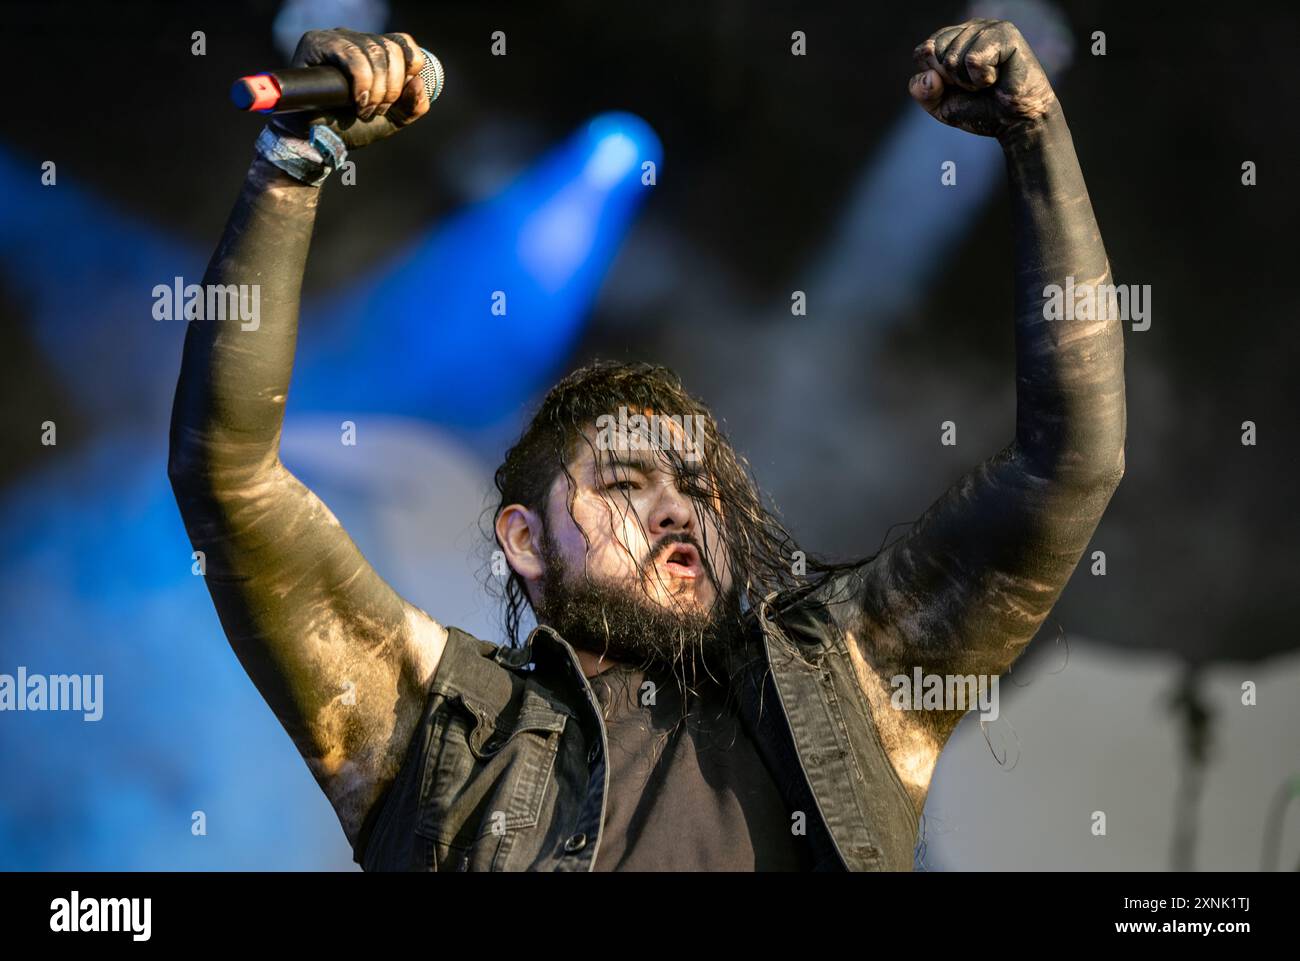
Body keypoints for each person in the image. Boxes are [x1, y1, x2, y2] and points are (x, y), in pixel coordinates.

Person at [168, 20, 1126, 871]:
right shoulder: (435, 720)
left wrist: (1036, 138)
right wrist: (292, 163)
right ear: (525, 540)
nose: (679, 506)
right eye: (623, 481)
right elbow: (230, 476)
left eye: (699, 486)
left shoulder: (852, 678)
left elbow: (1070, 462)